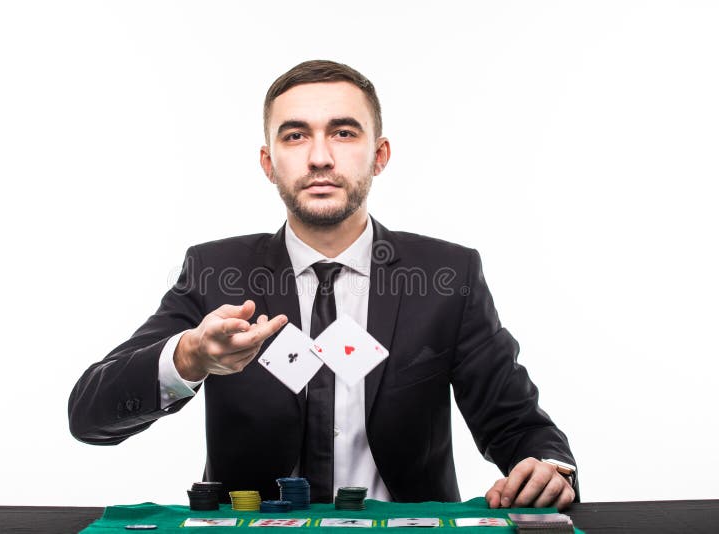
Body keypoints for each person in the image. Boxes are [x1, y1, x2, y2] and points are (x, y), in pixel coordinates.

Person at [68, 60, 578, 510]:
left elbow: (516, 424)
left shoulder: (448, 275)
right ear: (268, 163)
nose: (319, 158)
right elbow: (90, 414)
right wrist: (188, 358)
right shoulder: (214, 271)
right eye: (295, 136)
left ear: (379, 155)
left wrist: (548, 468)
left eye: (343, 133)